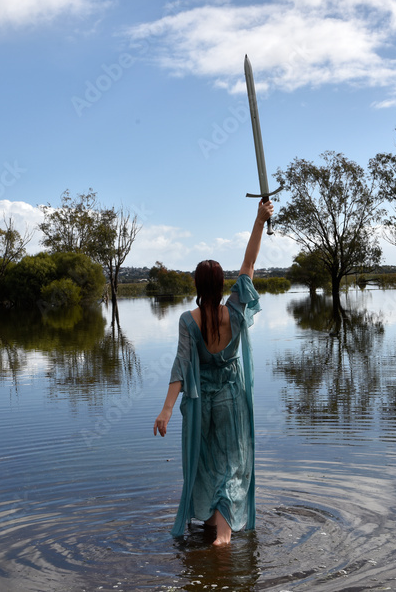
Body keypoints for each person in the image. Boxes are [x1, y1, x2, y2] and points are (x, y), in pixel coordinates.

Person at [154, 199, 274, 546]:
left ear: (196, 284)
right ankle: (221, 534)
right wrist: (258, 220)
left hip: (200, 406)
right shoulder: (234, 311)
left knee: (205, 467)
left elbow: (180, 368)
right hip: (232, 403)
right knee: (231, 467)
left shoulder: (187, 321)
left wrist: (165, 410)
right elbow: (250, 262)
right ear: (222, 284)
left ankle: (216, 535)